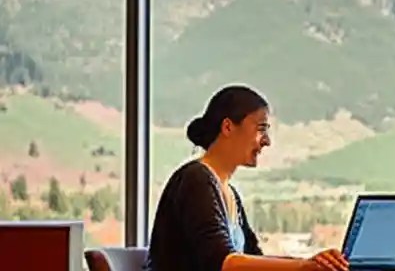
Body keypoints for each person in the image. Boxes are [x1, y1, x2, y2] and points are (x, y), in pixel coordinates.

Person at [145, 85, 349, 271]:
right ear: (228, 127)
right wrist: (303, 266)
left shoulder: (229, 193)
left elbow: (253, 258)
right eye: (261, 129)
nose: (267, 141)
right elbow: (223, 263)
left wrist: (314, 263)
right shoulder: (196, 179)